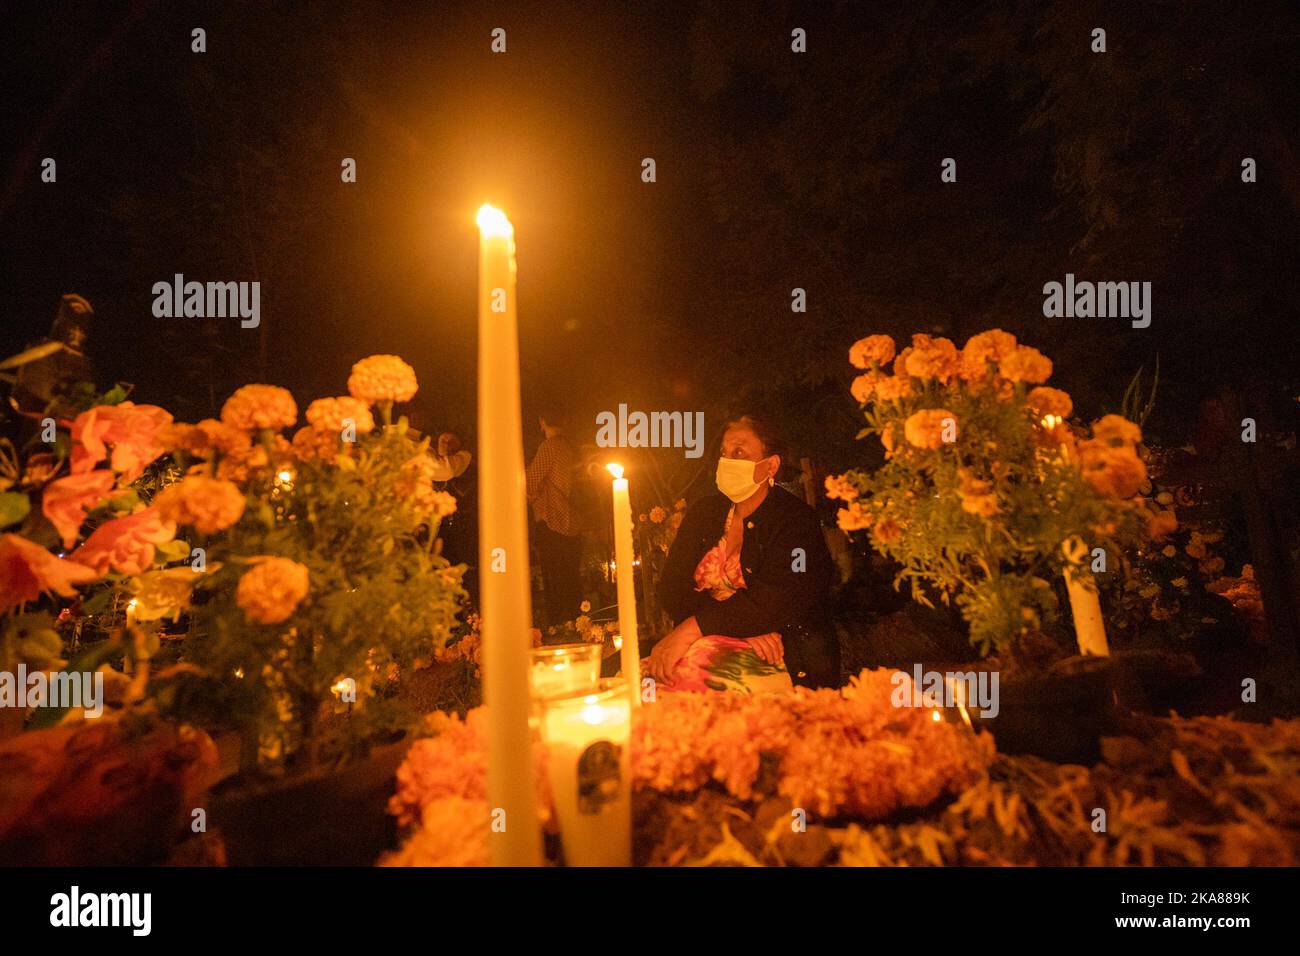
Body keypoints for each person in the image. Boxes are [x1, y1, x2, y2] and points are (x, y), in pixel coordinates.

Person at [648, 414, 839, 692]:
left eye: (738, 452)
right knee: (641, 683)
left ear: (770, 466)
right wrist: (733, 627)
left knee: (686, 691)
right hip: (706, 644)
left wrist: (694, 628)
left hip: (782, 654)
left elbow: (783, 596)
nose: (726, 461)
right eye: (724, 452)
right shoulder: (704, 513)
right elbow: (672, 585)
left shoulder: (796, 521)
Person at [526, 409, 583, 625]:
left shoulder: (549, 447)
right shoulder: (570, 447)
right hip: (572, 522)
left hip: (553, 520)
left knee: (554, 579)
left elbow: (529, 483)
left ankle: (561, 626)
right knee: (571, 577)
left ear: (542, 421)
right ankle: (579, 625)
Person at [432, 430, 478, 603]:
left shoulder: (464, 464)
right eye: (443, 440)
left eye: (452, 441)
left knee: (466, 575)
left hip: (464, 528)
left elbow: (452, 474)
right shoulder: (433, 467)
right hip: (443, 531)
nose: (446, 444)